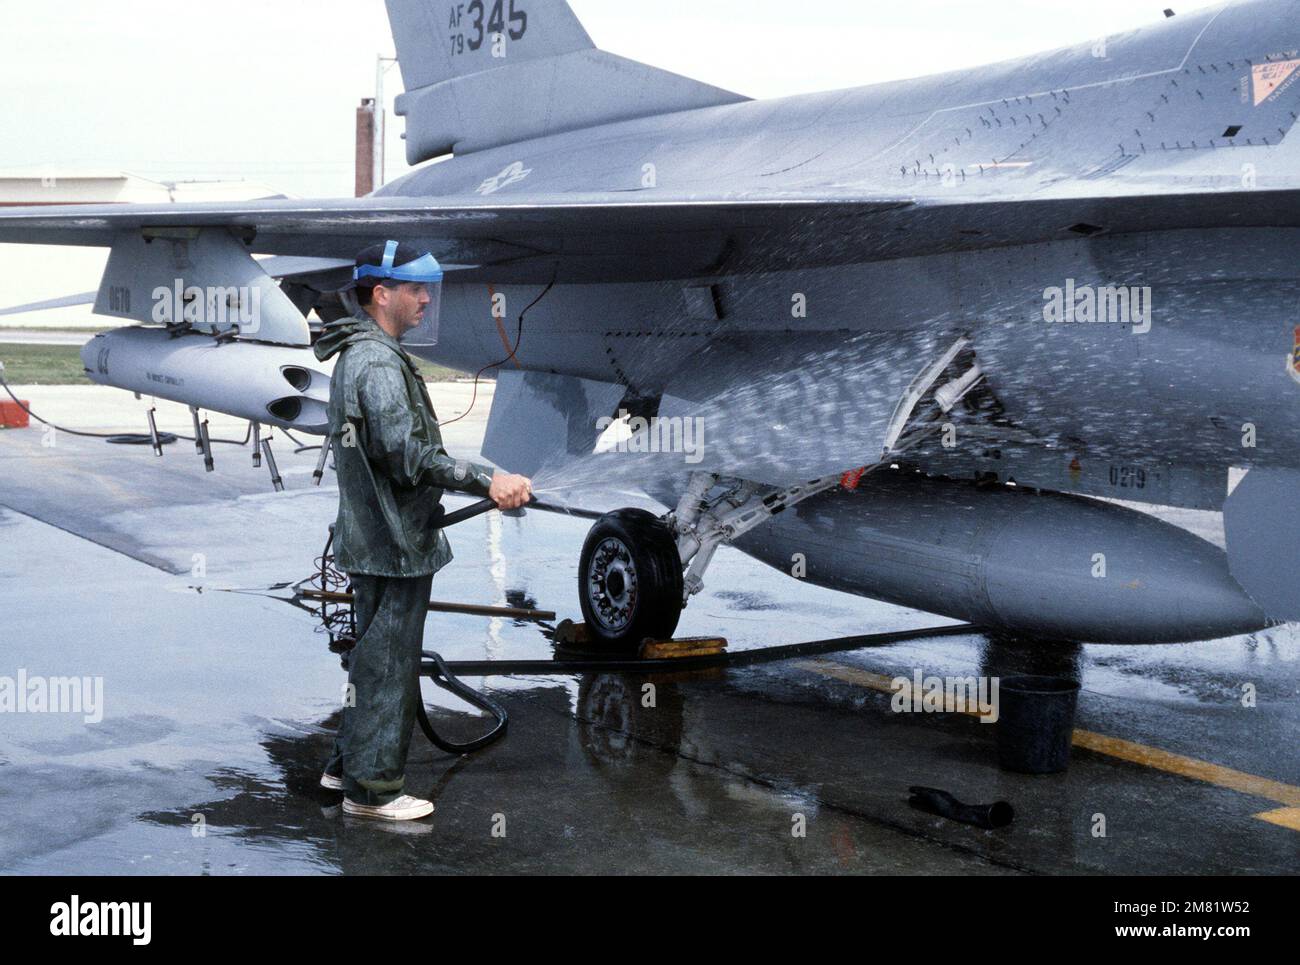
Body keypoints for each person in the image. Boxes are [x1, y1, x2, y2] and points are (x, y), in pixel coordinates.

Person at [313, 240, 531, 821]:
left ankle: (346, 768)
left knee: (375, 663)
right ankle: (373, 793)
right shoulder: (378, 362)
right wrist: (485, 478)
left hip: (380, 537)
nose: (424, 302)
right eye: (414, 289)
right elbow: (408, 456)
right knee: (387, 669)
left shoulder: (363, 354)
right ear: (380, 293)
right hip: (392, 544)